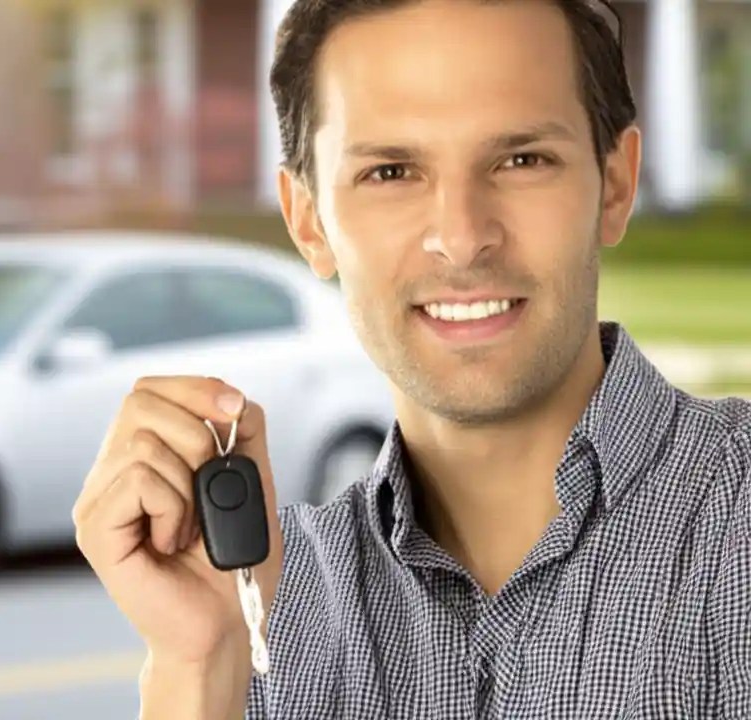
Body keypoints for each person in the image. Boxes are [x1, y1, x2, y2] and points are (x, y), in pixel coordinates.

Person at [71, 0, 751, 717]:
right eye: (392, 172)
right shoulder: (259, 606)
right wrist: (198, 668)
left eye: (521, 160)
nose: (461, 238)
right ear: (308, 221)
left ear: (615, 183)